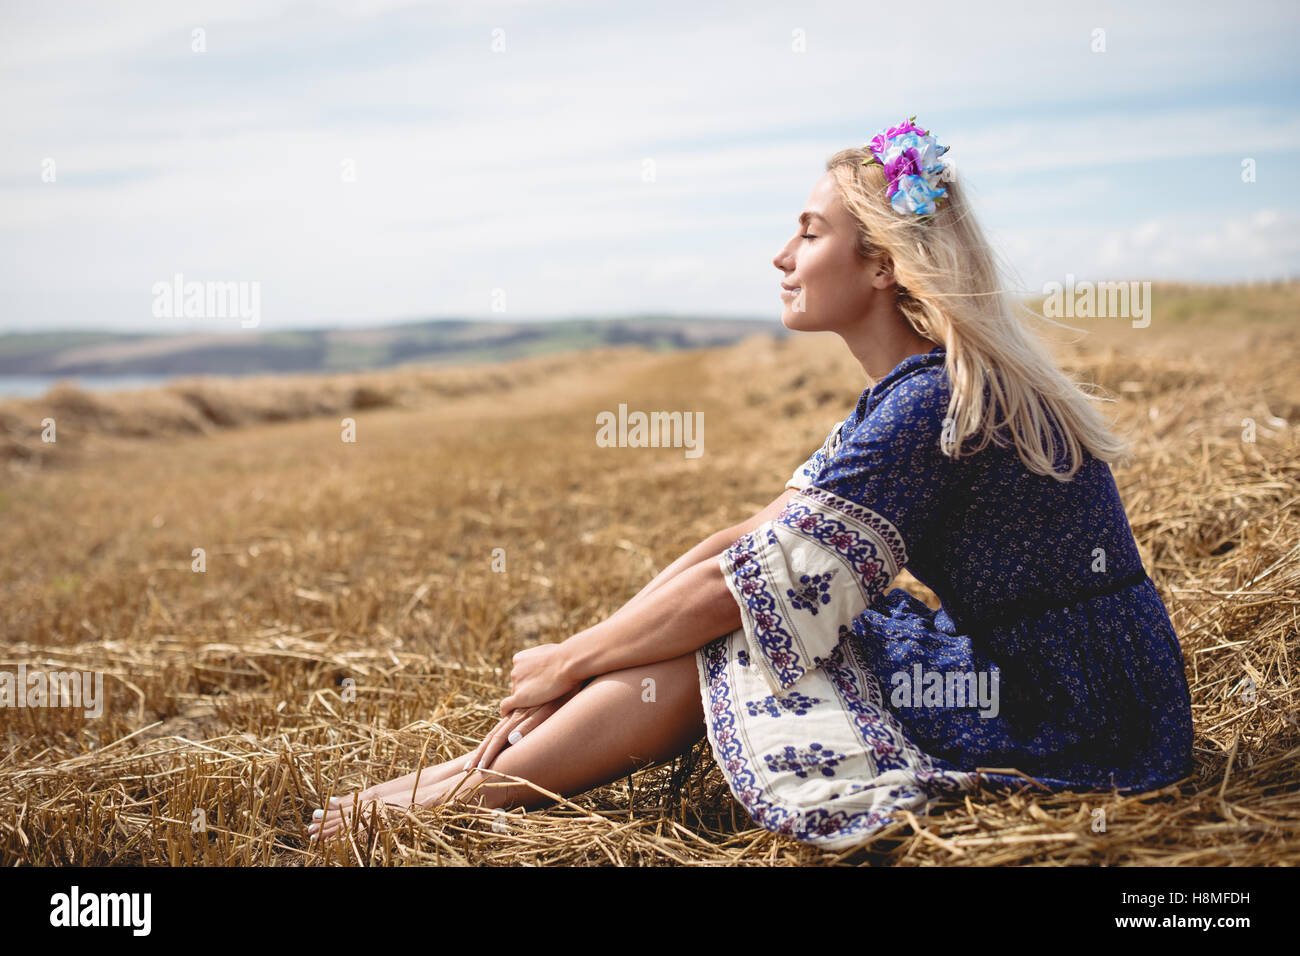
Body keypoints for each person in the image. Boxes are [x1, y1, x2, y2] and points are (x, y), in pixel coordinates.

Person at [309, 119, 1195, 850]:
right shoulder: (907, 394)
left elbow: (745, 588)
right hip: (1062, 674)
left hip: (1077, 708)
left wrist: (570, 658)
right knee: (740, 607)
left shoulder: (928, 407)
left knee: (743, 632)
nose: (781, 255)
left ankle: (471, 798)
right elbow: (745, 542)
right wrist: (577, 654)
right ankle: (468, 778)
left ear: (883, 265)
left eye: (810, 233)